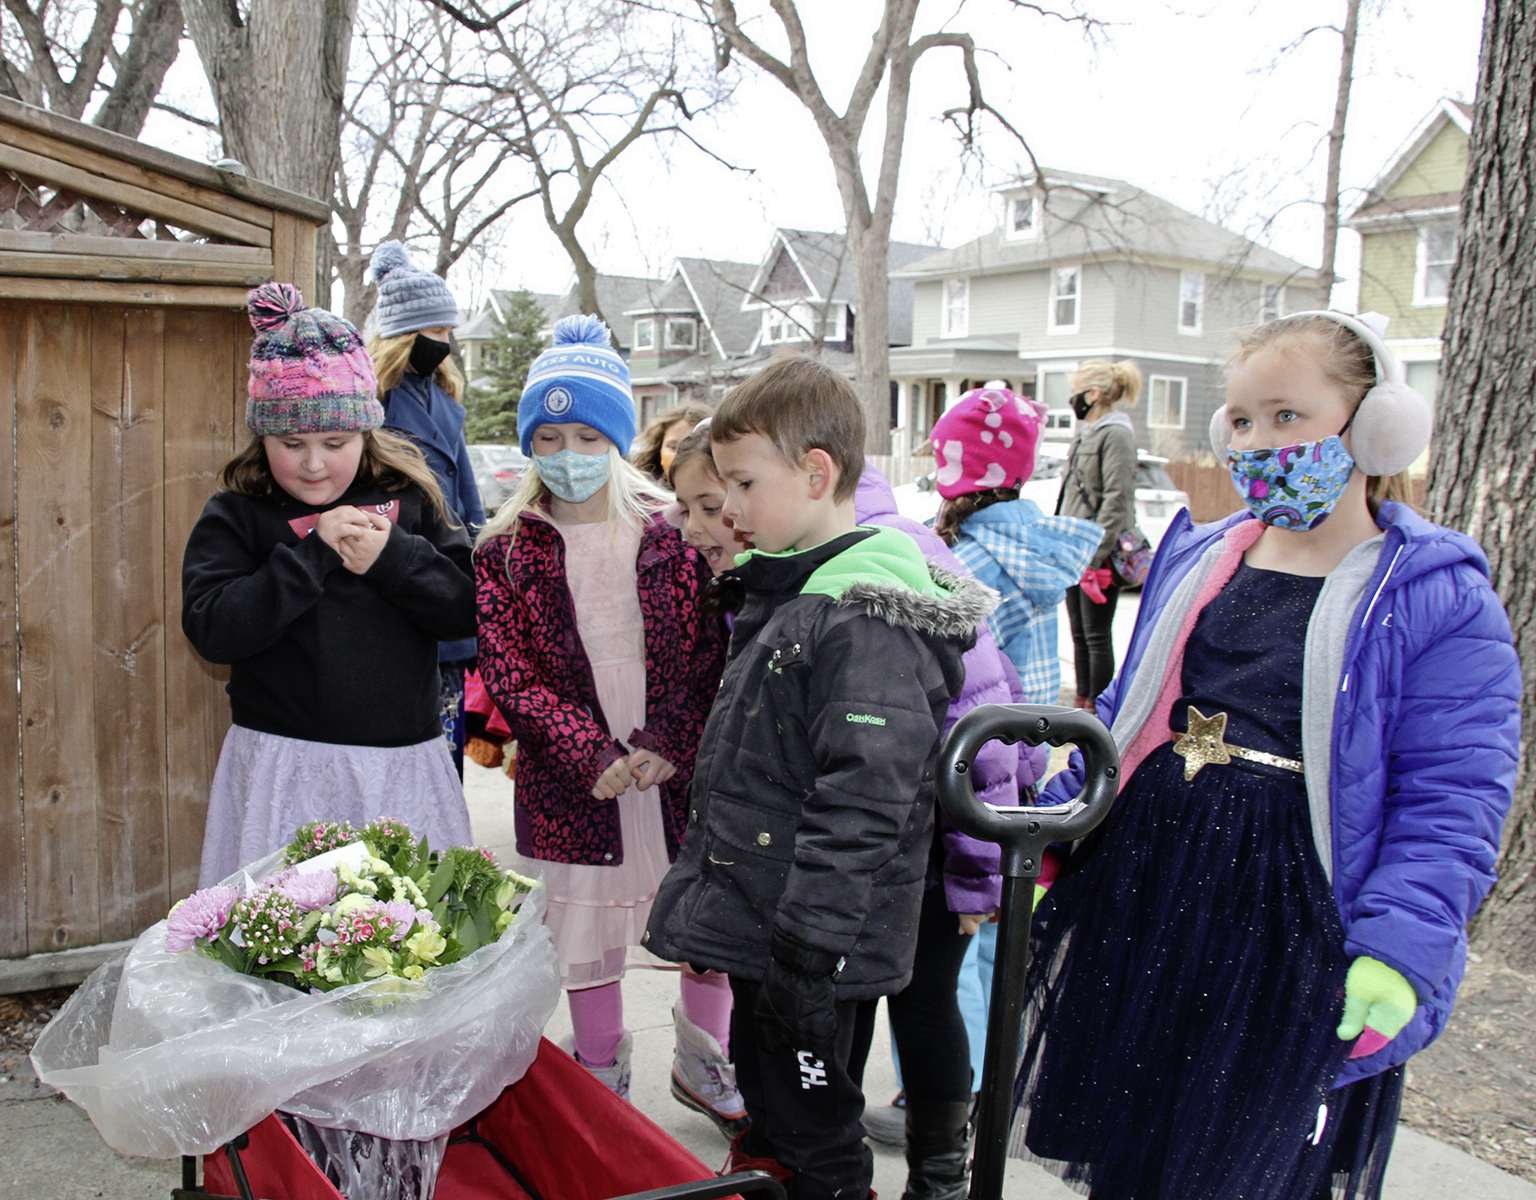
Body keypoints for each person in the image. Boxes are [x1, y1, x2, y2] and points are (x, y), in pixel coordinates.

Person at [1013, 311, 1521, 1200]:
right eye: (1241, 421)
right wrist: (1066, 816)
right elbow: (1132, 710)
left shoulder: (1435, 595)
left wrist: (1400, 951)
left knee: (1239, 1163)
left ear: (1374, 426)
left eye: (1287, 416)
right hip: (1154, 886)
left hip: (1290, 925)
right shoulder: (1203, 553)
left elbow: (1453, 797)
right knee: (1139, 1144)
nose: (1258, 443)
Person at [643, 357, 995, 1200]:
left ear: (816, 471)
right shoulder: (789, 590)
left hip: (813, 941)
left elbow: (866, 800)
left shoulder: (861, 616)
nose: (726, 508)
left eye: (741, 484)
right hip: (772, 923)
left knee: (815, 1132)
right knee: (772, 1108)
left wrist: (807, 950)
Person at [473, 316, 740, 1135]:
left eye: (588, 433)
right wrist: (589, 752)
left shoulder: (673, 530)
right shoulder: (505, 549)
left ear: (619, 437)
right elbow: (510, 672)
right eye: (548, 435)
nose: (568, 450)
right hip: (572, 774)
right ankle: (600, 1076)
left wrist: (667, 741)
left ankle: (706, 1062)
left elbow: (707, 652)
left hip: (672, 765)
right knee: (588, 931)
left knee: (702, 919)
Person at [183, 282, 475, 886]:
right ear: (263, 438)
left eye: (334, 443)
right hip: (282, 767)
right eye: (292, 444)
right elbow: (214, 629)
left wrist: (394, 559)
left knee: (404, 941)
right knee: (286, 938)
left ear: (366, 430)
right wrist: (309, 557)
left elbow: (467, 611)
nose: (314, 464)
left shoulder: (410, 498)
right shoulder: (238, 511)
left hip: (400, 769)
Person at [849, 462, 1034, 1200]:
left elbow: (984, 727)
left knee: (925, 1005)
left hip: (927, 848)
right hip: (866, 840)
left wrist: (978, 876)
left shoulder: (896, 556)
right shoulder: (807, 552)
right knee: (864, 1010)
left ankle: (940, 1177)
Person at [367, 240, 484, 777]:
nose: (446, 342)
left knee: (445, 751)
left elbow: (468, 496)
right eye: (435, 332)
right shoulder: (374, 403)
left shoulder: (446, 398)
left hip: (447, 577)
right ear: (405, 335)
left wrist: (478, 559)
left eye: (448, 331)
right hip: (396, 579)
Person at [1057, 359, 1141, 707]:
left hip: (1098, 553)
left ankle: (1098, 707)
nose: (1072, 400)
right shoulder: (1086, 434)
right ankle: (1081, 700)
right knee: (1078, 633)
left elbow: (1116, 498)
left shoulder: (1116, 435)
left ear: (1092, 394)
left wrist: (1094, 553)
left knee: (1095, 634)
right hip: (1073, 549)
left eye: (1075, 393)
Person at [633, 403, 714, 482]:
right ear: (659, 449)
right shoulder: (638, 491)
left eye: (690, 448)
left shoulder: (723, 493)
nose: (678, 456)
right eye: (673, 447)